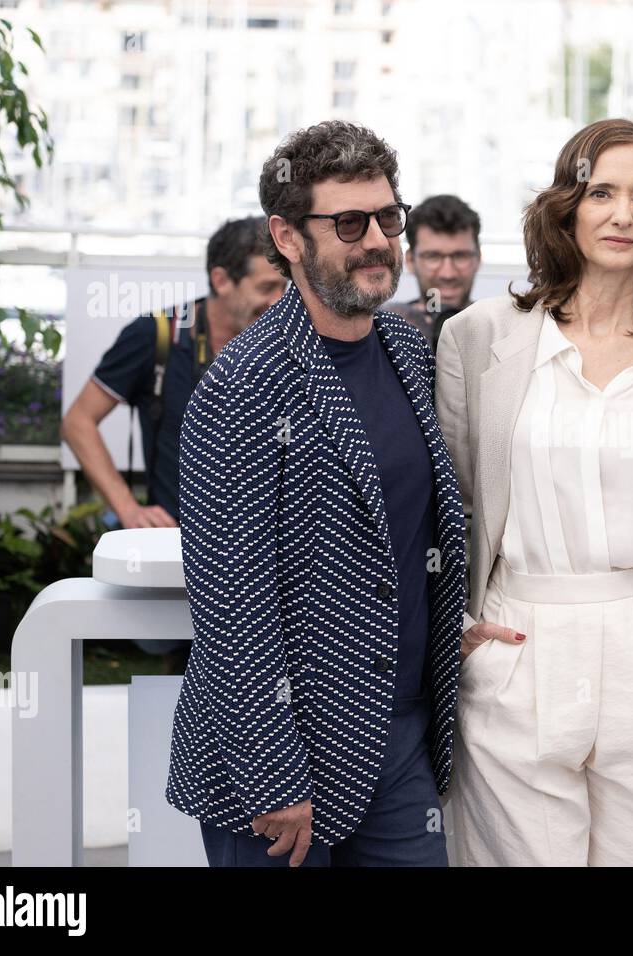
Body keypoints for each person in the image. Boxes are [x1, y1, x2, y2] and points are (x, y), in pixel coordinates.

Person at [165, 121, 468, 867]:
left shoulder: (404, 348)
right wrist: (272, 773)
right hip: (278, 758)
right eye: (349, 223)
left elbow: (410, 527)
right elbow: (231, 605)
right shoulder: (240, 389)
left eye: (388, 218)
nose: (376, 241)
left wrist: (461, 610)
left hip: (399, 738)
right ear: (289, 237)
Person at [435, 118, 633, 867]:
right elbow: (452, 511)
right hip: (515, 641)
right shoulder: (478, 337)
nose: (623, 215)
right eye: (601, 192)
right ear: (567, 204)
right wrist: (456, 630)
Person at [60, 217, 285, 670]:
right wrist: (128, 510)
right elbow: (79, 421)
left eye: (286, 287)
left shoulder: (287, 342)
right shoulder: (158, 335)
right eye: (266, 287)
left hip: (269, 563)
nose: (279, 302)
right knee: (181, 693)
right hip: (179, 561)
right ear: (221, 280)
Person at [384, 194, 482, 348]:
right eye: (433, 257)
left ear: (478, 258)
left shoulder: (499, 330)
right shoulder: (385, 332)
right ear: (410, 260)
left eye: (460, 256)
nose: (448, 274)